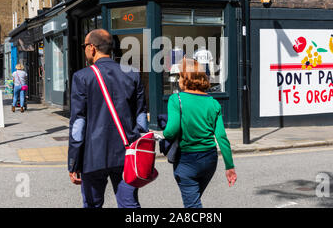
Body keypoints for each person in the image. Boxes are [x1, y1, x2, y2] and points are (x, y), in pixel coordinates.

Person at [68, 29, 147, 208]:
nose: (84, 50)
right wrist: (141, 148)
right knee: (129, 204)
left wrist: (73, 162)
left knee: (92, 205)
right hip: (127, 153)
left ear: (92, 48)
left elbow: (78, 124)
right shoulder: (132, 74)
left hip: (93, 156)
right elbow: (141, 117)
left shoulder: (82, 77)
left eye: (84, 46)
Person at [163, 58, 237, 208]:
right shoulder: (213, 102)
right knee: (194, 200)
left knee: (192, 205)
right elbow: (221, 137)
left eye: (180, 76)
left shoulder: (176, 99)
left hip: (186, 160)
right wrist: (229, 166)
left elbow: (170, 132)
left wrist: (163, 130)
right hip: (209, 160)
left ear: (184, 77)